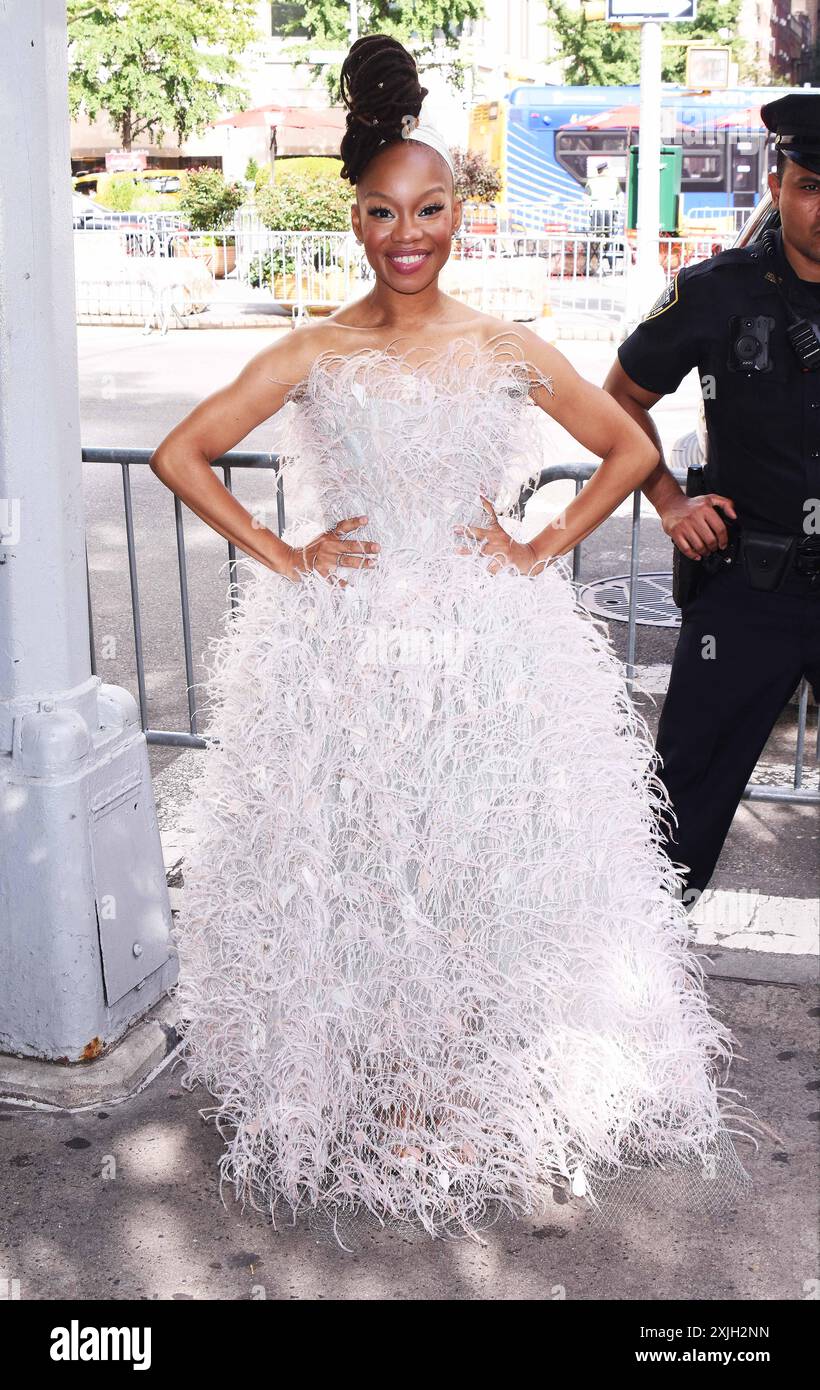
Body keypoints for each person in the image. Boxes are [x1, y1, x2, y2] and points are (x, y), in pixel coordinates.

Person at [151, 34, 758, 1246]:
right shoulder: (317, 350)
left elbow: (630, 448)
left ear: (461, 214)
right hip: (348, 649)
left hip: (490, 649)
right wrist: (287, 556)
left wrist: (538, 550)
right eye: (383, 211)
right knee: (366, 860)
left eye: (429, 207)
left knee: (486, 858)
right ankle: (386, 1087)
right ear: (357, 221)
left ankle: (483, 1071)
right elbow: (182, 453)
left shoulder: (505, 344)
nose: (407, 232)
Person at [604, 92, 820, 903]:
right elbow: (618, 399)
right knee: (677, 821)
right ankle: (640, 997)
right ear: (777, 183)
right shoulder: (713, 292)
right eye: (809, 184)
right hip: (744, 593)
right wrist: (667, 500)